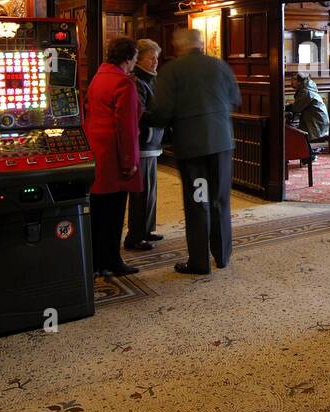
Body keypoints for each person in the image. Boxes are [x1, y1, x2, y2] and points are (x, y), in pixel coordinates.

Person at [143, 27, 242, 275]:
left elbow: (162, 111)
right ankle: (222, 256)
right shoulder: (220, 66)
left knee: (199, 201)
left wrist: (148, 121)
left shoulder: (172, 70)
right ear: (200, 43)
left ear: (179, 45)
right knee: (220, 200)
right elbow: (235, 98)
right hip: (221, 143)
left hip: (193, 147)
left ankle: (199, 261)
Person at [84, 37, 143, 278]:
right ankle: (111, 260)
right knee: (115, 210)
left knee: (98, 208)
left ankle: (96, 260)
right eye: (135, 58)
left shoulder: (99, 77)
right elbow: (126, 127)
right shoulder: (123, 83)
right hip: (114, 154)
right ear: (128, 58)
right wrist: (130, 162)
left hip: (96, 149)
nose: (135, 63)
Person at [124, 39, 165, 252]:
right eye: (151, 57)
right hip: (143, 143)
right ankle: (136, 235)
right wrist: (163, 116)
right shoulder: (137, 81)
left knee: (151, 191)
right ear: (139, 59)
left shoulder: (150, 79)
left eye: (157, 57)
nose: (155, 62)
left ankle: (147, 229)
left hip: (152, 142)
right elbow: (141, 113)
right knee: (142, 191)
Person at [289, 71, 330, 141]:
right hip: (319, 123)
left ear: (300, 81)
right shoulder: (307, 88)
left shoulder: (306, 91)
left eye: (294, 79)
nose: (291, 82)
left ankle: (304, 150)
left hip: (317, 126)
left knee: (291, 132)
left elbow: (296, 108)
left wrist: (285, 107)